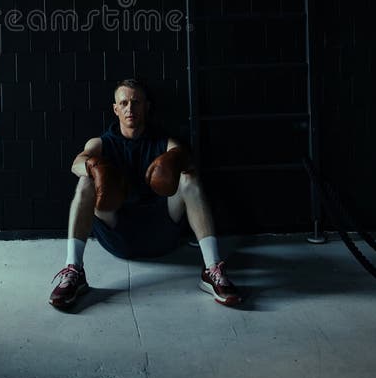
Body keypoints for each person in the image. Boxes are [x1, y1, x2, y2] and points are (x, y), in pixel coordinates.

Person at [49, 77, 241, 309]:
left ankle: (212, 268)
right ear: (115, 109)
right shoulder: (101, 143)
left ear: (146, 107)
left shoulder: (163, 141)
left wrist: (176, 160)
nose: (130, 108)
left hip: (162, 232)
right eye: (124, 103)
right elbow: (76, 163)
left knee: (189, 178)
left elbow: (186, 159)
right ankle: (74, 271)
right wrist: (92, 167)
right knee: (85, 183)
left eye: (136, 102)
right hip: (118, 234)